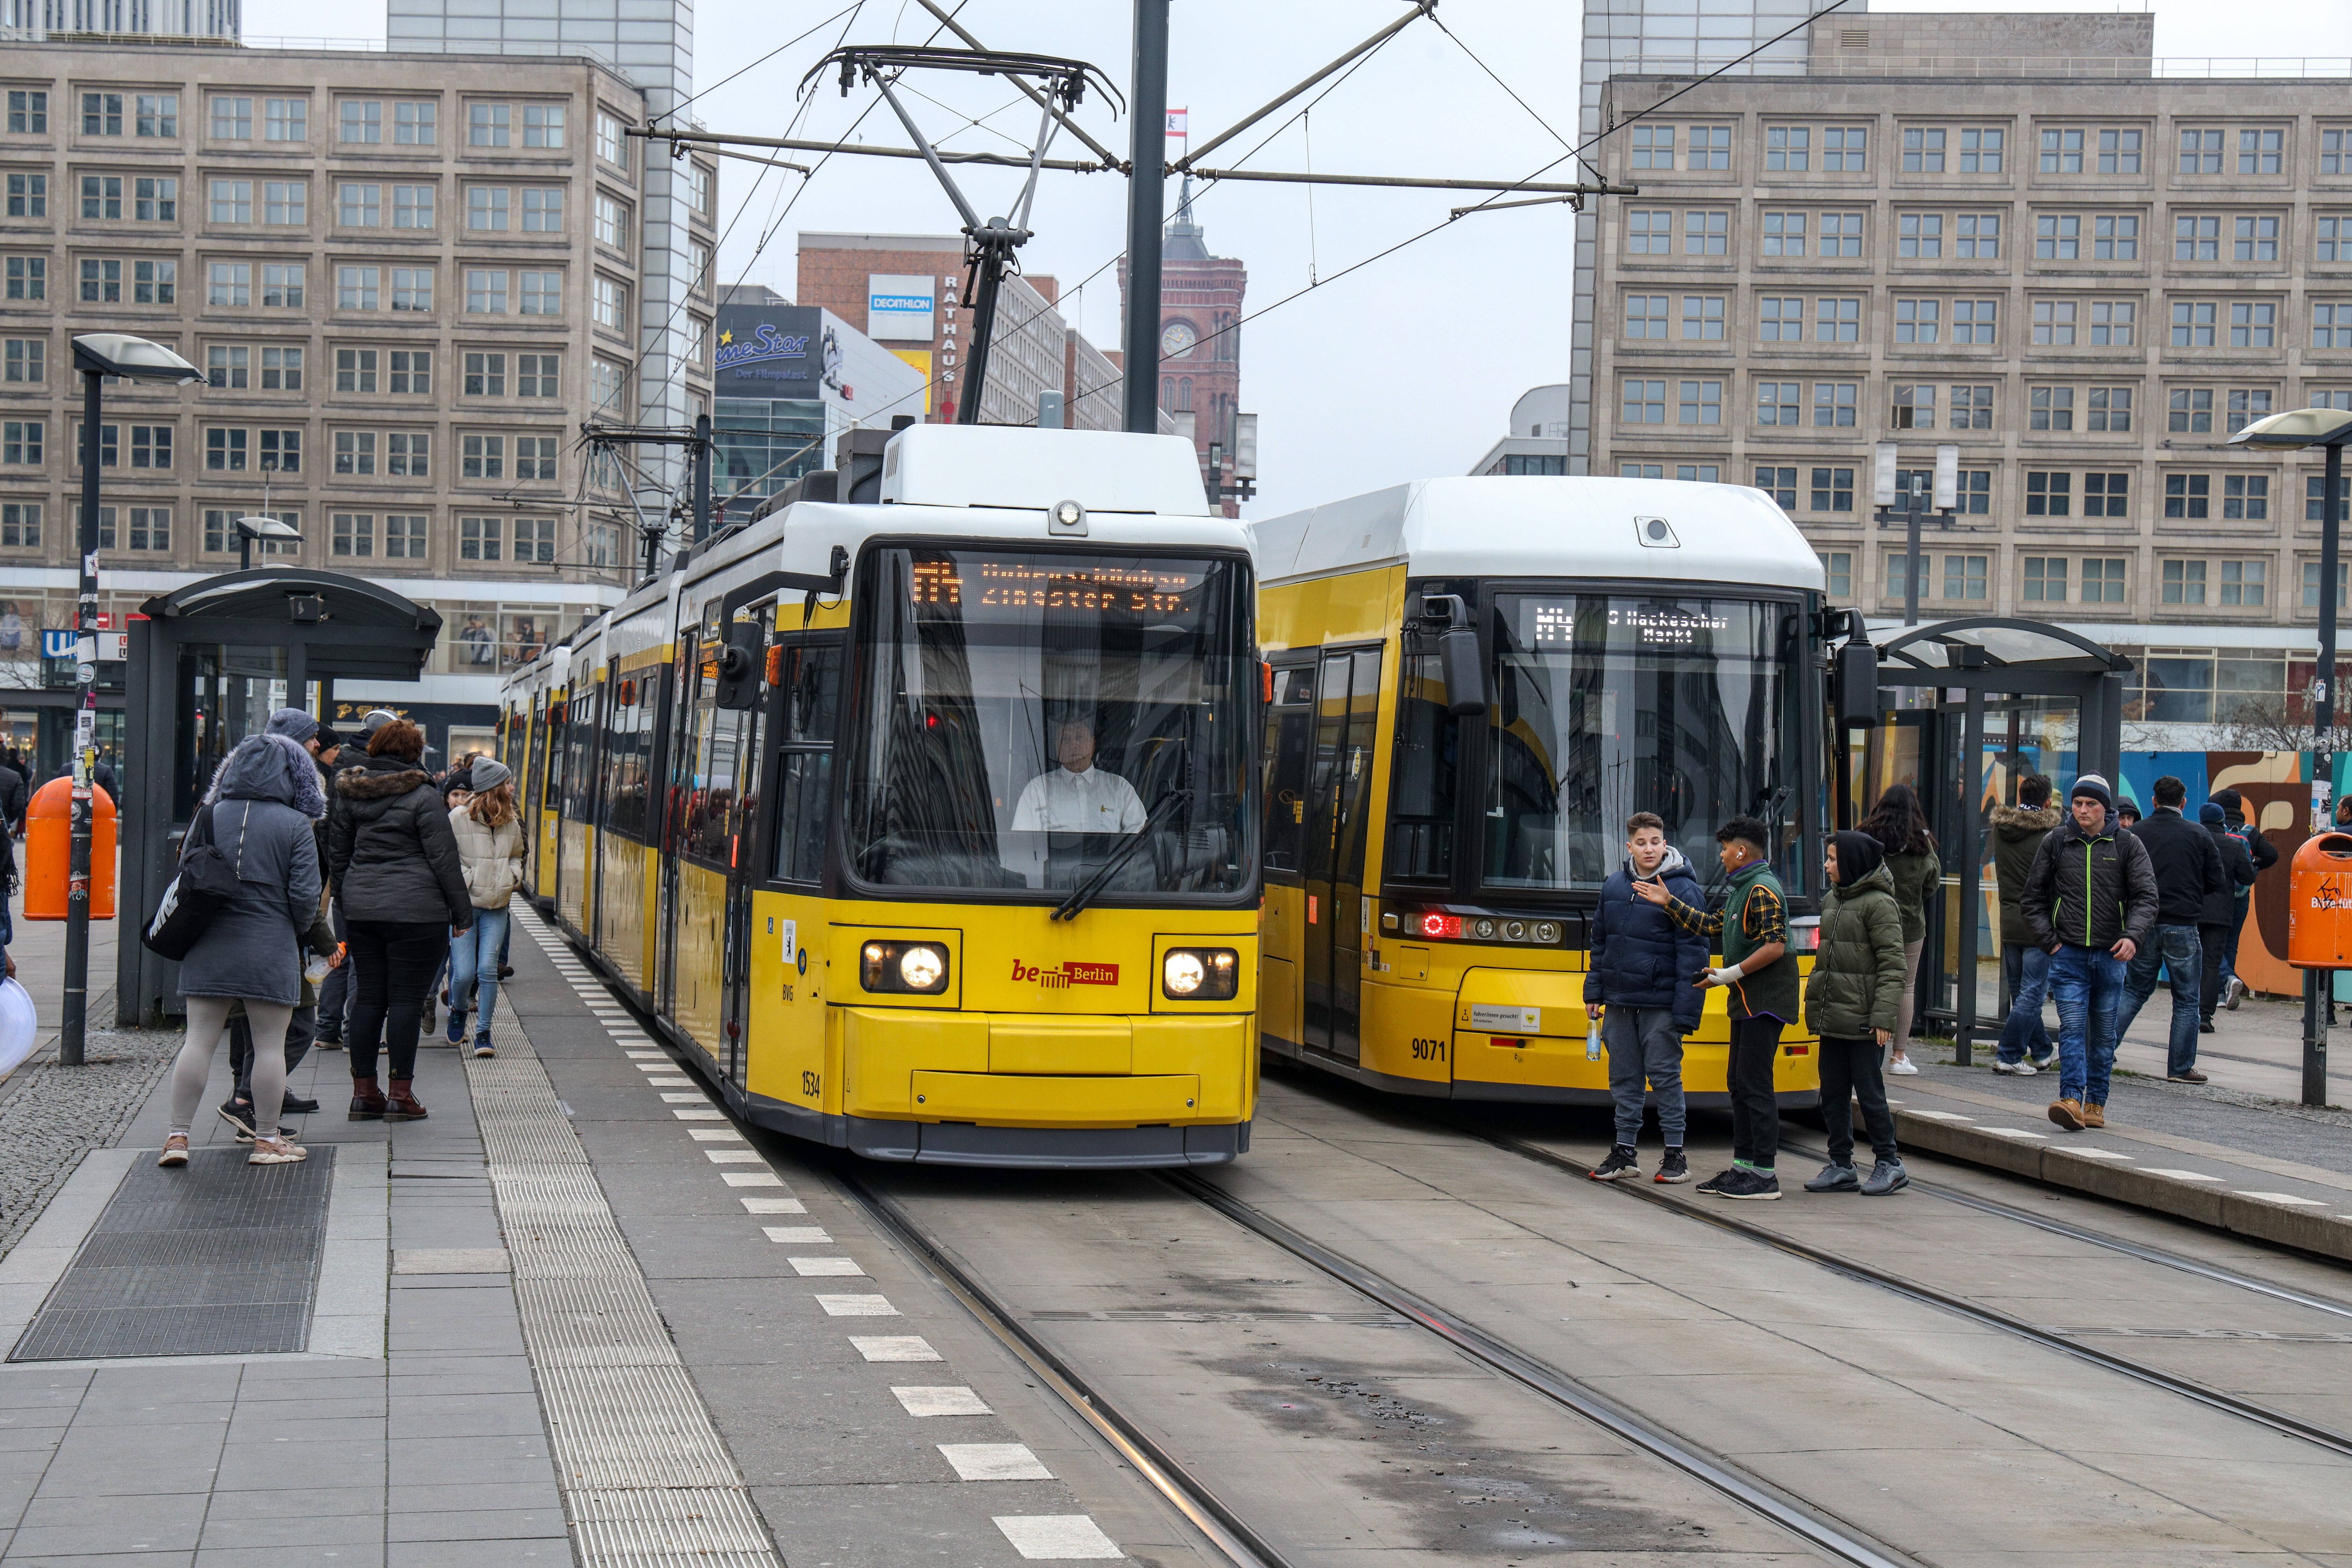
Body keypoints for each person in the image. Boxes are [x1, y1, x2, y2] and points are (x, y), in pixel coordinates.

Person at [158, 733, 324, 1169]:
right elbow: (306, 897)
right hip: (269, 945)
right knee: (270, 1046)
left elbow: (187, 871)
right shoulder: (295, 825)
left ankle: (177, 1137)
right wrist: (296, 931)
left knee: (198, 1042)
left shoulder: (209, 815)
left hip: (209, 944)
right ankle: (267, 1140)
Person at [1635, 815, 1795, 1200]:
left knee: (1755, 1085)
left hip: (1765, 1003)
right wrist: (1670, 902)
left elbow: (1775, 944)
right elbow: (1709, 924)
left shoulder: (1761, 889)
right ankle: (1744, 1167)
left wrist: (1728, 974)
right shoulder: (1742, 888)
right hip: (1745, 1000)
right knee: (1739, 1083)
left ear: (1742, 851)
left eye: (1724, 849)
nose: (1721, 856)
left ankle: (1765, 1175)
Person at [330, 719, 472, 1122]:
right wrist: (461, 914)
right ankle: (400, 1094)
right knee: (406, 1001)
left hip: (362, 909)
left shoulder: (348, 793)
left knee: (369, 997)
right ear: (414, 753)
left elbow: (338, 854)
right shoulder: (424, 795)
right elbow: (444, 860)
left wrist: (347, 899)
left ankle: (363, 1094)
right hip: (417, 911)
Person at [2021, 774, 2158, 1132]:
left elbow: (2146, 897)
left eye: (2090, 804)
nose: (2082, 810)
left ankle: (2096, 1102)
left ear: (2105, 808)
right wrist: (2050, 941)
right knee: (2072, 1027)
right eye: (2078, 803)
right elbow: (2033, 898)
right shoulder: (2056, 842)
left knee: (2103, 1034)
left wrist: (2133, 937)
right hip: (2068, 954)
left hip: (2112, 954)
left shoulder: (2128, 845)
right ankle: (2071, 1099)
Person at [1584, 812, 1708, 1185]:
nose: (1649, 849)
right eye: (1641, 843)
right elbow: (1601, 943)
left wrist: (1686, 1012)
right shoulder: (1615, 886)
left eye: (1655, 842)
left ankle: (1675, 1156)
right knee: (1623, 1078)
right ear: (1629, 847)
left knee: (1665, 1076)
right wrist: (1595, 992)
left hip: (1662, 1003)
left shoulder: (1683, 890)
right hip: (1621, 1000)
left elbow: (1694, 953)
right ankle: (1625, 1152)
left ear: (1665, 843)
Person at [1802, 831, 1909, 1196]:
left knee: (1869, 1093)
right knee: (1832, 1093)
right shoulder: (1834, 899)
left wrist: (1883, 1018)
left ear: (1851, 863)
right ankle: (1841, 1164)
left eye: (1833, 859)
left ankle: (1889, 1162)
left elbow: (1893, 966)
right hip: (1833, 1017)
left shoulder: (1879, 904)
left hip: (1864, 1021)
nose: (1827, 865)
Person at [2113, 775, 2225, 1084]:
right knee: (2187, 999)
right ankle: (2180, 1068)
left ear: (2154, 801)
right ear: (2183, 803)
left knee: (2133, 990)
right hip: (2184, 925)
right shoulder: (2199, 834)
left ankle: (2102, 1050)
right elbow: (2217, 880)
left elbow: (2119, 878)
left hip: (2142, 925)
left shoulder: (2135, 833)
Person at [318, 710, 401, 1051]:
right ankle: (356, 1032)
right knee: (364, 958)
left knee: (341, 950)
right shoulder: (380, 771)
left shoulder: (339, 766)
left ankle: (326, 1029)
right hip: (369, 878)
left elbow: (328, 829)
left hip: (342, 876)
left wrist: (337, 875)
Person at [446, 758, 526, 1058]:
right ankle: (459, 1009)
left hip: (497, 907)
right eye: (507, 782)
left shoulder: (511, 821)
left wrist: (513, 877)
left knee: (487, 971)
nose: (511, 787)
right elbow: (446, 857)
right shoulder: (457, 818)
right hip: (465, 907)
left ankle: (483, 1032)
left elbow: (517, 855)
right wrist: (467, 880)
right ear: (494, 787)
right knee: (464, 974)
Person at [1856, 783, 1937, 1076]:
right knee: (1906, 987)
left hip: (1869, 922)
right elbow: (1932, 883)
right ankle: (1899, 1056)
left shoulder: (1865, 834)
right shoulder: (1922, 843)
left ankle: (1865, 1050)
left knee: (1868, 981)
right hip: (1910, 925)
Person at [1991, 774, 2062, 1074]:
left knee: (2022, 994)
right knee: (2033, 993)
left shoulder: (2002, 829)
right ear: (2048, 802)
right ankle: (2008, 1055)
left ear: (2021, 798)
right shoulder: (2051, 835)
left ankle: (2043, 1051)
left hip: (2009, 921)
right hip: (2040, 923)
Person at [1011, 719, 1146, 834]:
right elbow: (1024, 843)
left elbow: (1139, 838)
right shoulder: (1037, 789)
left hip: (1114, 865)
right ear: (1057, 747)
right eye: (1065, 738)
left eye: (1080, 737)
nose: (1073, 745)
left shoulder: (1119, 787)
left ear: (1093, 744)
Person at [2210, 788, 2277, 1009]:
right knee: (2231, 943)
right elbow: (2271, 855)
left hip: (2215, 895)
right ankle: (2226, 988)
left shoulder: (2214, 828)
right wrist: (2254, 867)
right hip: (2241, 894)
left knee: (2209, 942)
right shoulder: (2250, 831)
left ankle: (2223, 987)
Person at [2198, 802, 2258, 1038]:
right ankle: (2205, 1016)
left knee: (2190, 964)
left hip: (2192, 911)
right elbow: (2247, 876)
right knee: (2212, 963)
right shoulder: (2233, 845)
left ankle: (2186, 1011)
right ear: (2222, 822)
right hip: (2222, 914)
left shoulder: (2195, 840)